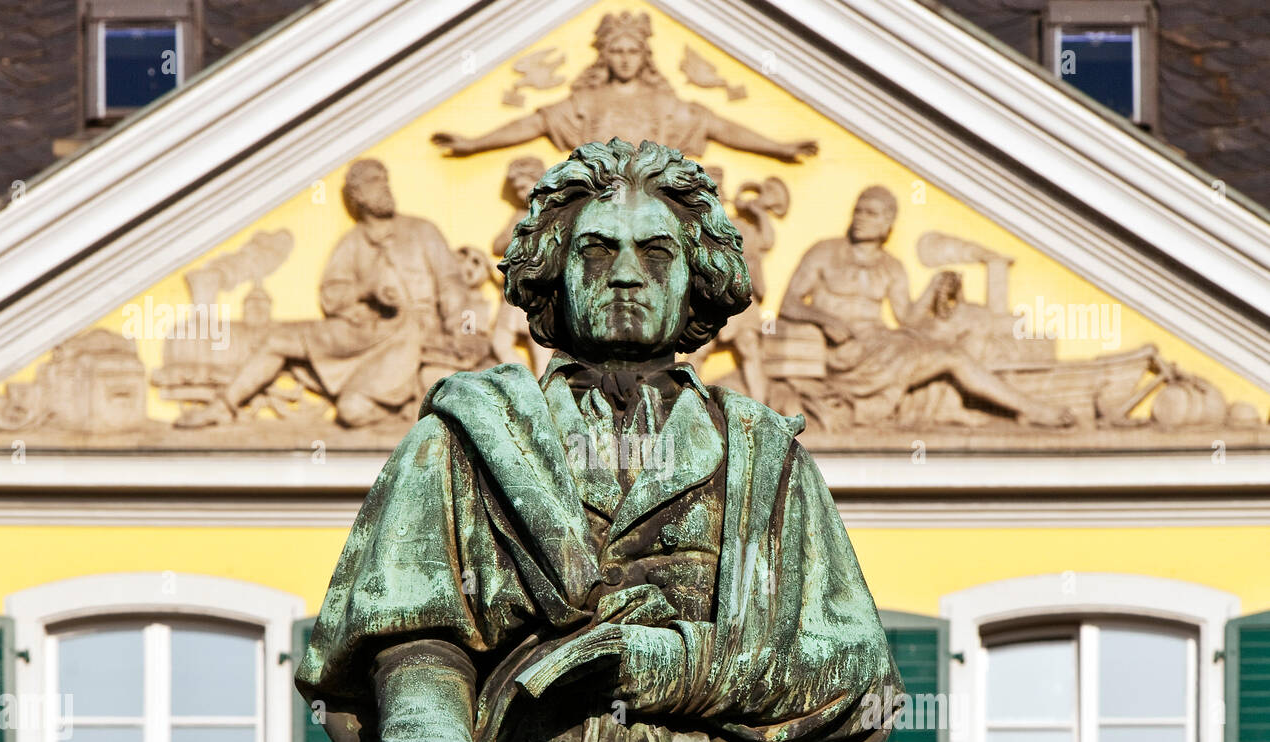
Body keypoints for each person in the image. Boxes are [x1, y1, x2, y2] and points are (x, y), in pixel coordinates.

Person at [296, 139, 903, 742]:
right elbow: (411, 633)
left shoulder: (765, 458)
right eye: (596, 249)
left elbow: (855, 677)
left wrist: (668, 664)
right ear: (552, 267)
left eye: (655, 252)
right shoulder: (466, 436)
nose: (624, 272)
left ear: (696, 279)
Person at [175, 159, 466, 428]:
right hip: (360, 330)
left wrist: (461, 330)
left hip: (410, 334)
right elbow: (332, 295)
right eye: (375, 181)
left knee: (353, 411)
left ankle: (407, 407)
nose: (385, 186)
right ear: (358, 195)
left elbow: (451, 283)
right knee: (278, 340)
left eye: (385, 179)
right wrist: (367, 290)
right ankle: (225, 406)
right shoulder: (352, 243)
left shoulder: (422, 232)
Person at [778, 185, 1074, 429]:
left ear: (887, 224)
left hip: (882, 346)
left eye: (872, 213)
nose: (861, 218)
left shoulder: (891, 266)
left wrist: (934, 287)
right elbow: (789, 302)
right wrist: (825, 319)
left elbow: (907, 318)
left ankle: (1025, 409)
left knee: (955, 351)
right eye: (859, 210)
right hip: (844, 356)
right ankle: (1029, 409)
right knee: (951, 355)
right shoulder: (824, 253)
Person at [431, 11, 817, 164]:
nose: (625, 58)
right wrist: (473, 143)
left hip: (653, 189)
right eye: (616, 50)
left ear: (644, 55)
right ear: (605, 56)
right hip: (597, 187)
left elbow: (720, 127)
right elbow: (532, 125)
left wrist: (779, 147)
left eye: (633, 50)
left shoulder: (664, 103)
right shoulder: (587, 100)